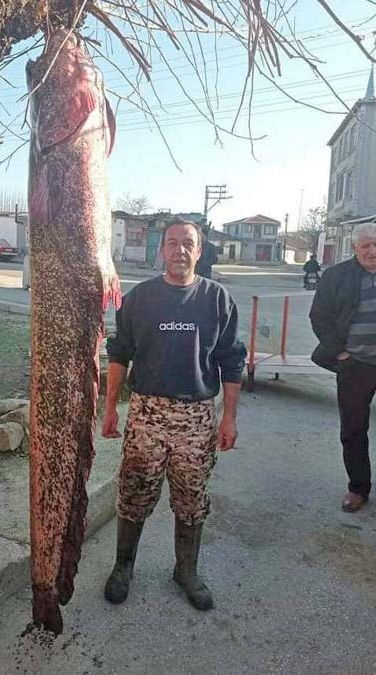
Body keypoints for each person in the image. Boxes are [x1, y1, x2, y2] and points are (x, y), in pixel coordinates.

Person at [102, 217, 248, 611]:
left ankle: (186, 570)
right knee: (133, 493)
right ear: (161, 250)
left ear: (199, 252)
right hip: (146, 413)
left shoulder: (217, 299)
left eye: (188, 243)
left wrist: (229, 417)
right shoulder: (139, 299)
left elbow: (232, 361)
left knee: (192, 499)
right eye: (172, 243)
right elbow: (119, 354)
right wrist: (110, 409)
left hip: (198, 417)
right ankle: (123, 567)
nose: (180, 250)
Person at [309, 222, 376, 523]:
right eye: (366, 246)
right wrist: (340, 352)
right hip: (355, 366)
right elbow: (319, 317)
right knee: (353, 431)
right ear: (354, 248)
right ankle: (358, 488)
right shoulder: (337, 277)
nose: (373, 251)